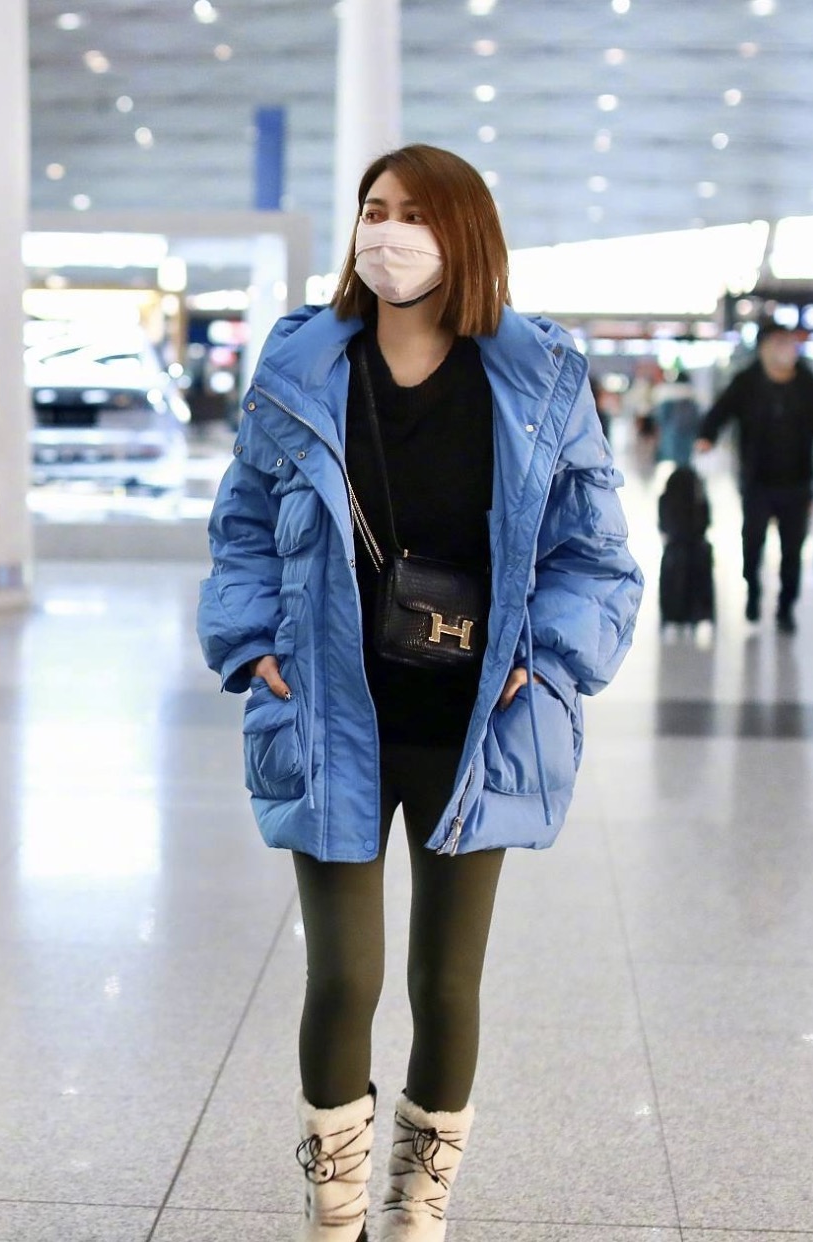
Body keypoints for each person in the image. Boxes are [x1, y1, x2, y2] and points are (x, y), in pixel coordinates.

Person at [198, 145, 642, 1242]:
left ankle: (415, 1213)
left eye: (411, 215)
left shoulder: (534, 375)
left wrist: (549, 652)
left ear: (462, 236)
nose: (385, 233)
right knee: (340, 978)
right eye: (372, 210)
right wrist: (247, 638)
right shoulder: (299, 366)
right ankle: (334, 1212)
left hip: (473, 724)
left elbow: (596, 553)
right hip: (327, 715)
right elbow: (242, 525)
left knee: (446, 984)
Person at [693, 324, 813, 634]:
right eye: (778, 343)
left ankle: (786, 607)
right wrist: (706, 435)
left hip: (798, 482)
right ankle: (753, 591)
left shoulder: (808, 385)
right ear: (764, 348)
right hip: (756, 481)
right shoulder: (747, 382)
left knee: (792, 548)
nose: (785, 349)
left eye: (789, 343)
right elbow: (721, 411)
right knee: (753, 542)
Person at [651, 366, 702, 467]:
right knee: (685, 461)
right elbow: (698, 419)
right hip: (688, 435)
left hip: (672, 435)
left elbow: (661, 418)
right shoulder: (692, 398)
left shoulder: (667, 396)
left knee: (674, 461)